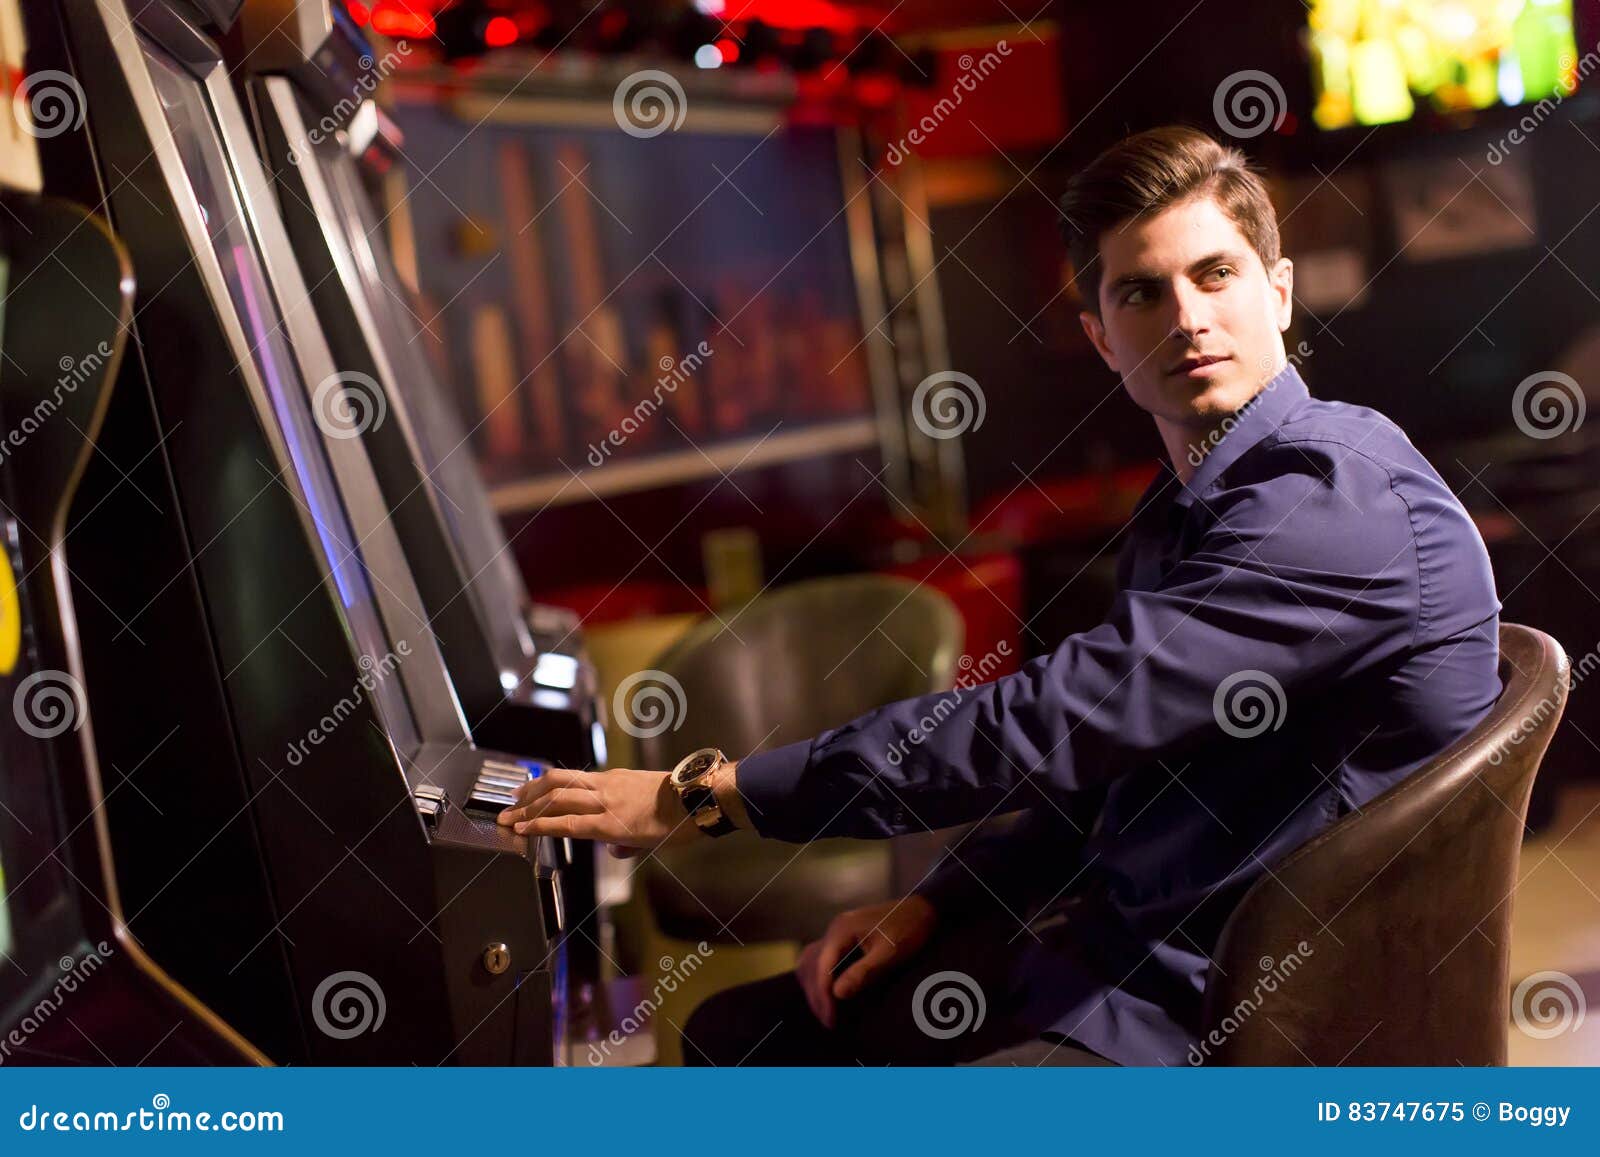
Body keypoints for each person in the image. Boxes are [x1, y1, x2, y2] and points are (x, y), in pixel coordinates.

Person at [497, 125, 1502, 1066]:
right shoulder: (1198, 495)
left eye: (1215, 274)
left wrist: (701, 795)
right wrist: (937, 902)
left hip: (1228, 1016)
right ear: (1102, 336)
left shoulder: (1327, 500)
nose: (1188, 317)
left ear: (1277, 291)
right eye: (1141, 293)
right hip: (1121, 955)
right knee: (738, 1033)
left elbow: (1047, 722)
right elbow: (1107, 772)